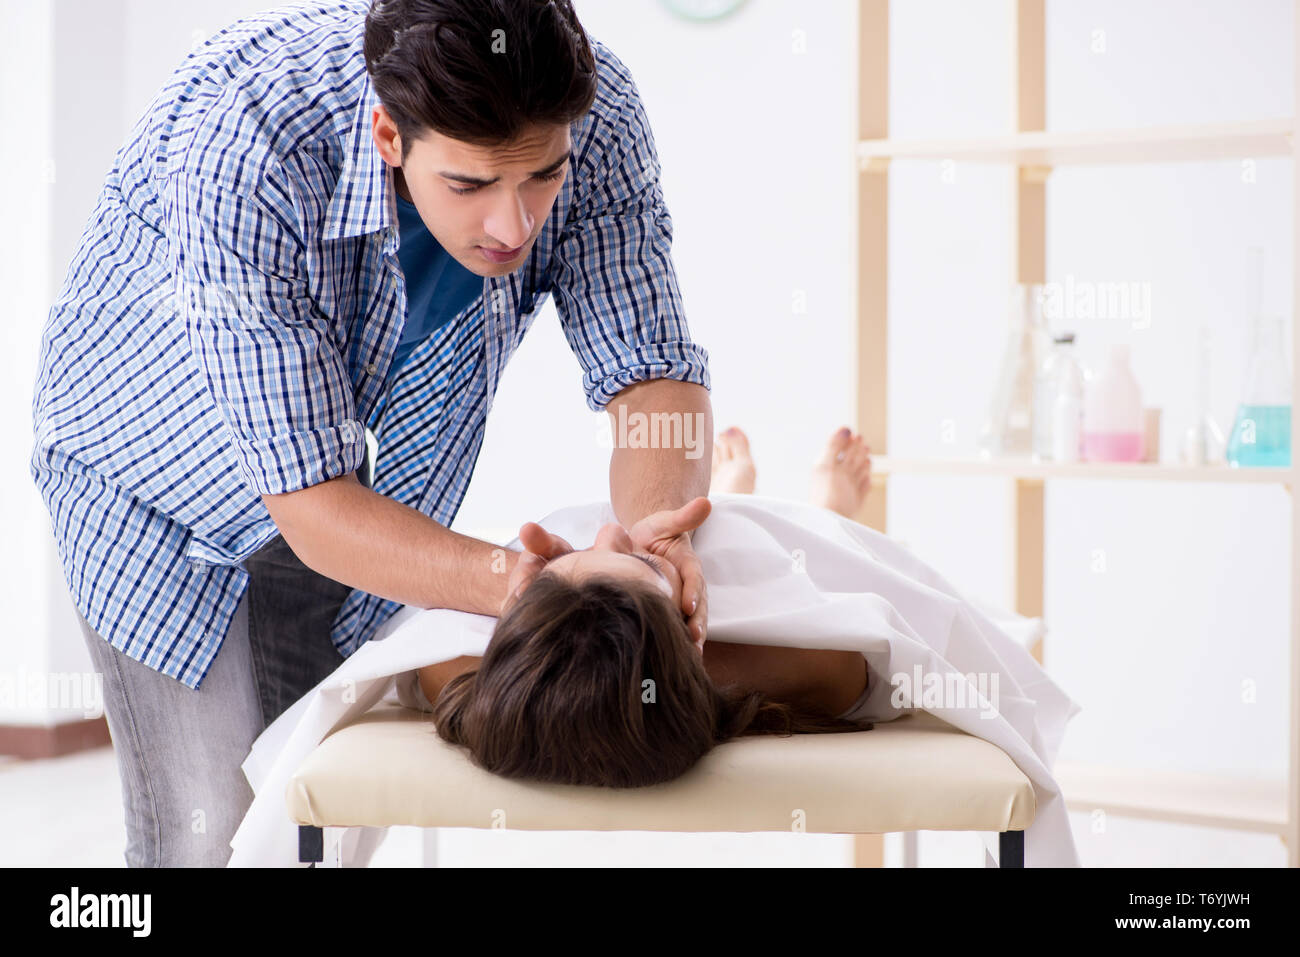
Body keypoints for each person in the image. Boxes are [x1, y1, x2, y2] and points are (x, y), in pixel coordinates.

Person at [31, 0, 713, 866]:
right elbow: (312, 505)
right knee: (209, 830)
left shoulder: (597, 114)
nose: (516, 226)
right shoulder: (249, 140)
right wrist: (523, 583)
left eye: (542, 176)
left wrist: (653, 541)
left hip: (349, 490)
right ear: (389, 134)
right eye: (470, 185)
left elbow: (651, 369)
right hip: (153, 487)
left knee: (325, 817)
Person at [417, 425, 879, 788]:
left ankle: (729, 496)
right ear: (691, 644)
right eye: (640, 561)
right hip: (756, 595)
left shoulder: (447, 669)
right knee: (749, 550)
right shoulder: (827, 670)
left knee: (695, 534)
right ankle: (823, 509)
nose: (610, 531)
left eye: (561, 569)